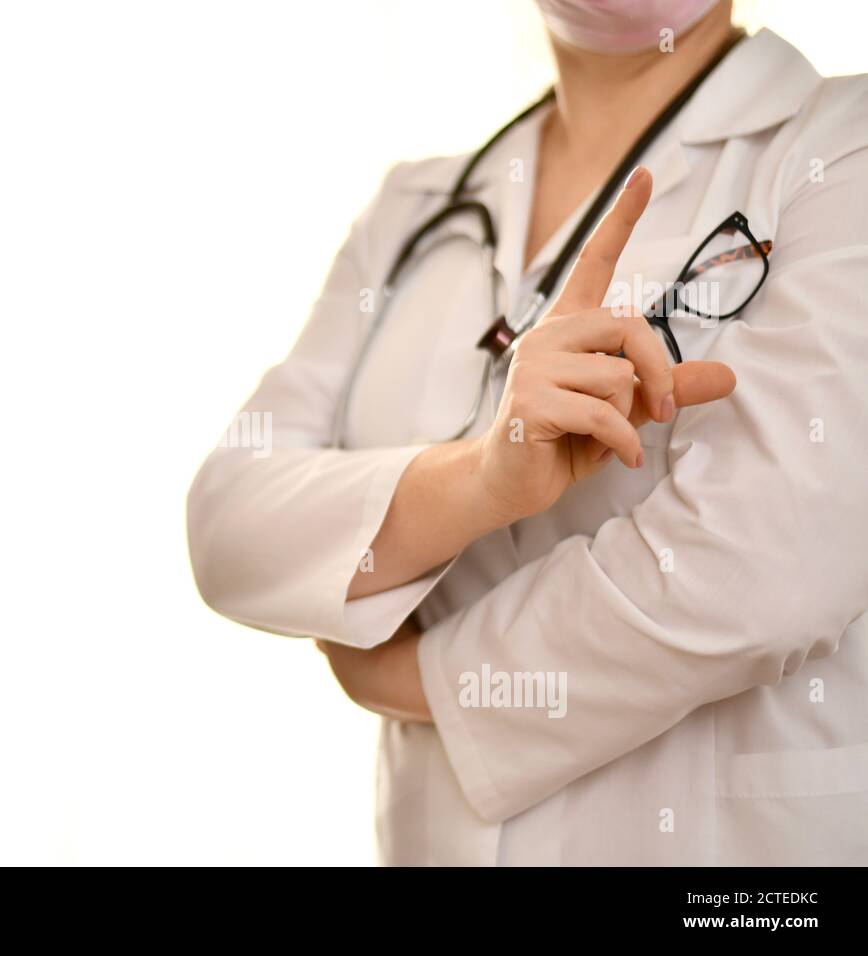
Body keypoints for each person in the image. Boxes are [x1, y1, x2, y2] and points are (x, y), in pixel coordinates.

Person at [187, 0, 868, 865]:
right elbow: (227, 524)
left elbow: (771, 570)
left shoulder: (842, 151)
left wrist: (424, 681)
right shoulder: (414, 207)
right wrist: (478, 482)